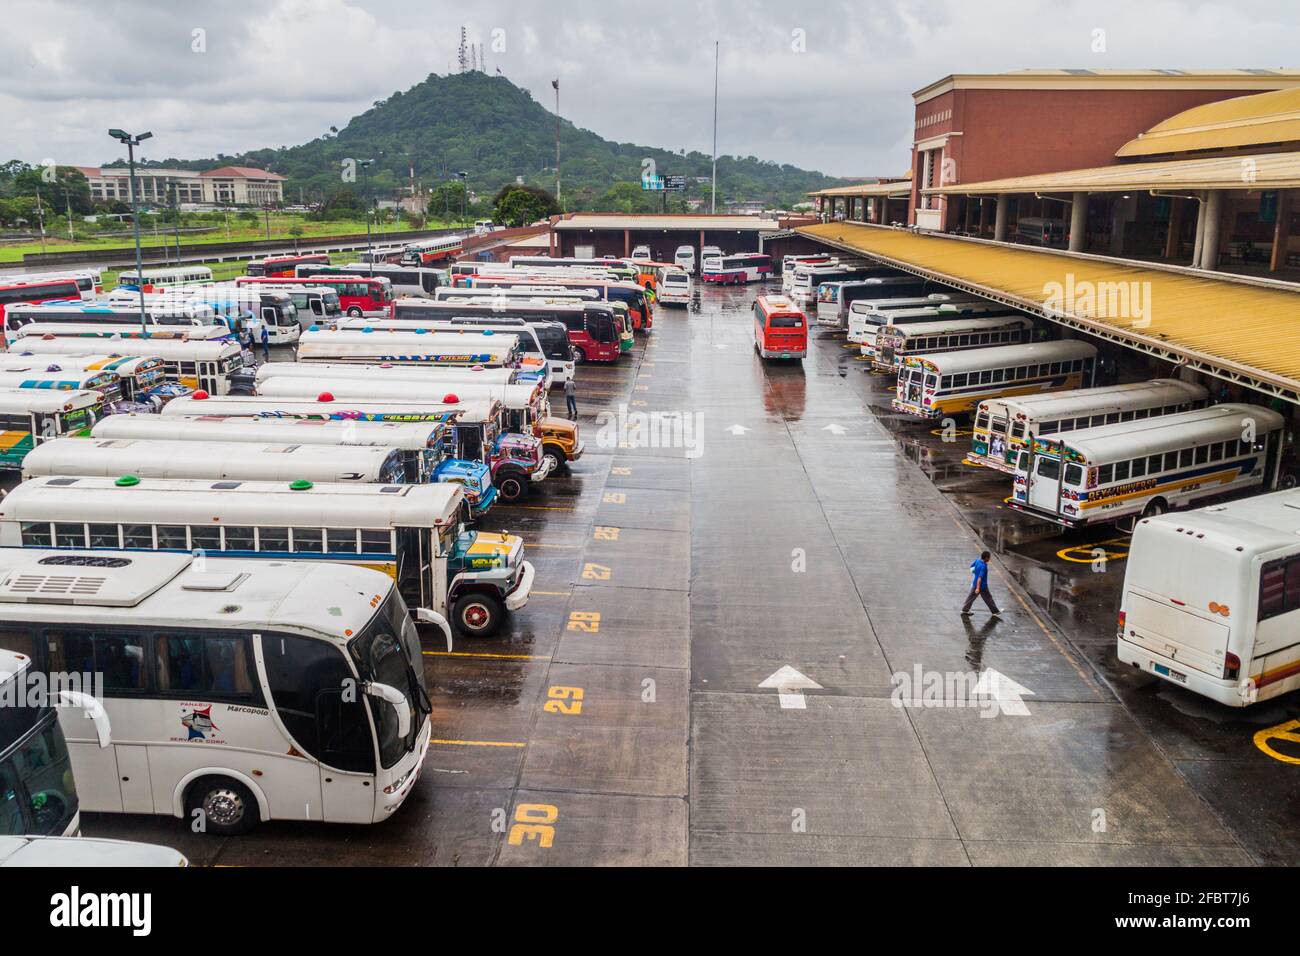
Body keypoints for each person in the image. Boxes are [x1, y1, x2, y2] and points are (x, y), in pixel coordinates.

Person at [961, 550, 1000, 618]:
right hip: (982, 586)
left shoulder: (977, 561)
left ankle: (965, 610)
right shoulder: (983, 566)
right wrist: (978, 588)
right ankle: (995, 611)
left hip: (975, 583)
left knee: (970, 597)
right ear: (986, 558)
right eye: (989, 557)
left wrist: (975, 573)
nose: (989, 559)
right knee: (988, 598)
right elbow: (980, 578)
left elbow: (971, 567)